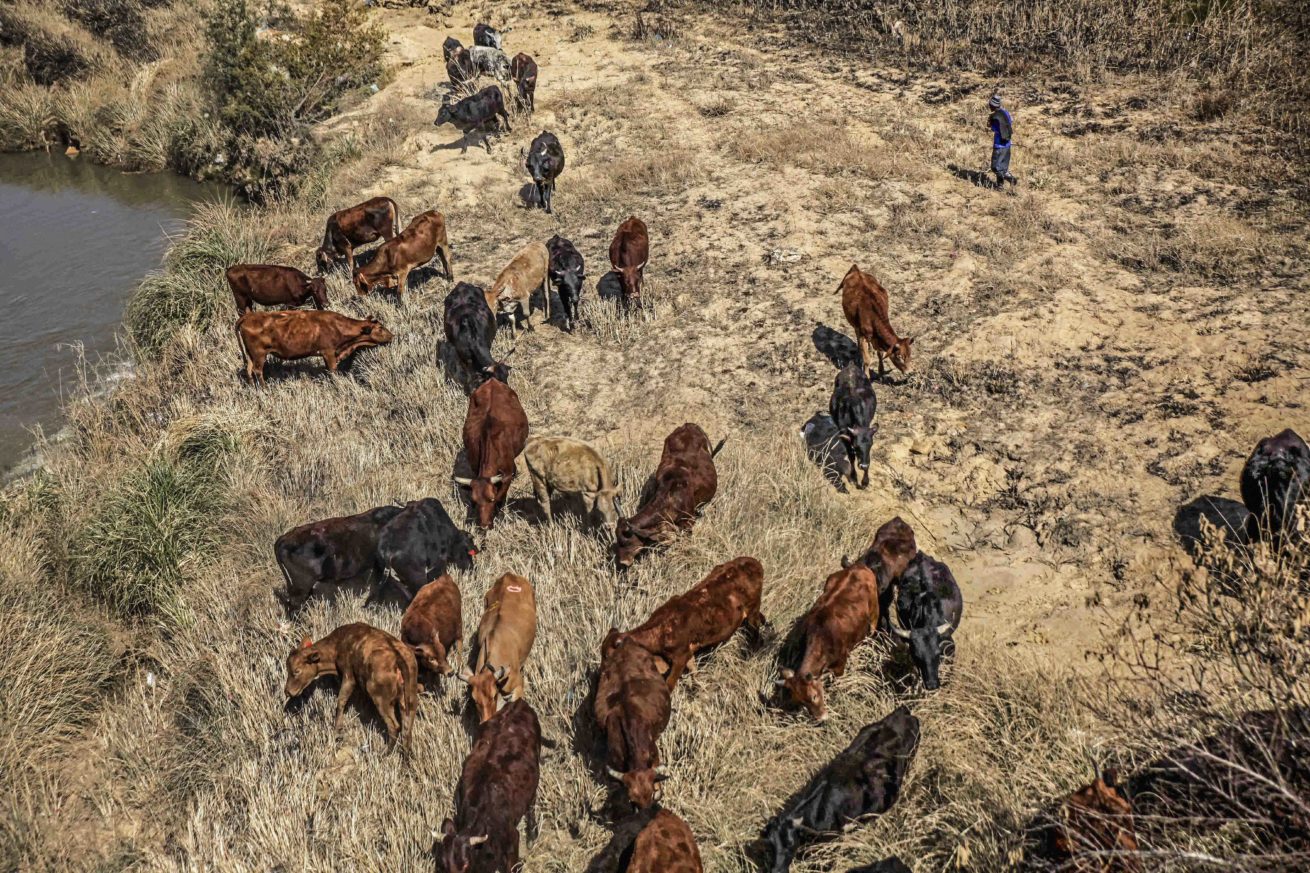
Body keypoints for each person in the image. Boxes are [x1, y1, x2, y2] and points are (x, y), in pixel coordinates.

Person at [987, 93, 1017, 188]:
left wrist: (990, 122)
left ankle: (1009, 179)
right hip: (1008, 144)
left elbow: (993, 128)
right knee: (1003, 166)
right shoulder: (1005, 112)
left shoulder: (994, 117)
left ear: (992, 105)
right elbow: (1010, 121)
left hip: (999, 145)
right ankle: (1000, 186)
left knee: (995, 167)